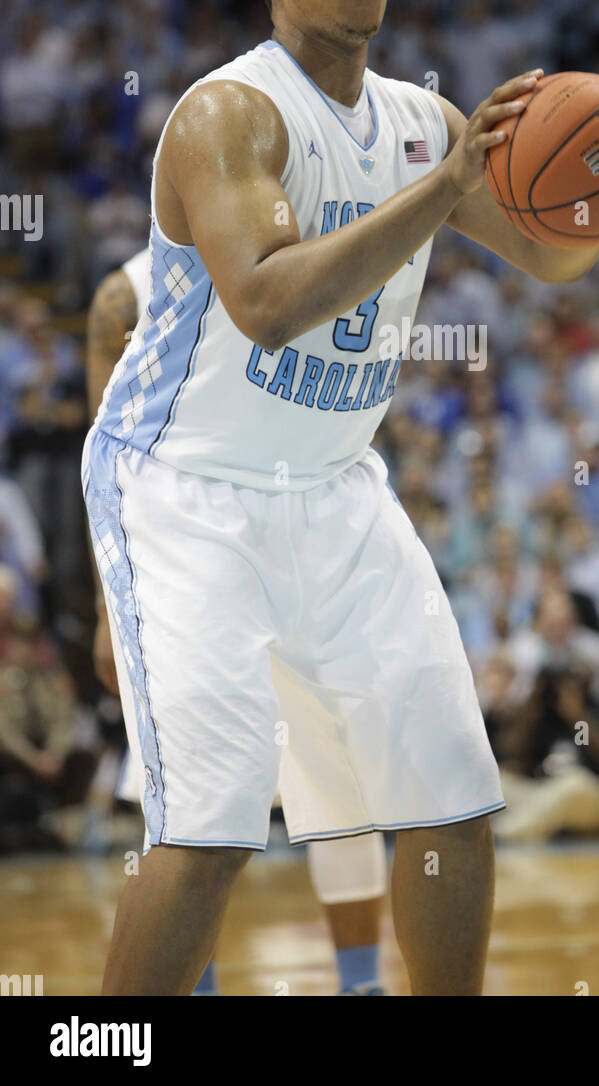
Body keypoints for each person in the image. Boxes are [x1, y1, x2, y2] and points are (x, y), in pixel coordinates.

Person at [82, 0, 599, 996]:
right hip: (187, 491)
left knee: (453, 795)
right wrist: (447, 184)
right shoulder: (227, 113)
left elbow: (549, 256)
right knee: (207, 832)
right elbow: (264, 302)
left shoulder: (422, 122)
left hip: (340, 486)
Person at [87, 249, 387, 995]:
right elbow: (107, 422)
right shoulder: (152, 279)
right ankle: (196, 991)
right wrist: (106, 602)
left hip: (311, 538)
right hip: (191, 555)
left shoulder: (336, 220)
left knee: (340, 786)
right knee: (194, 809)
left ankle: (362, 984)